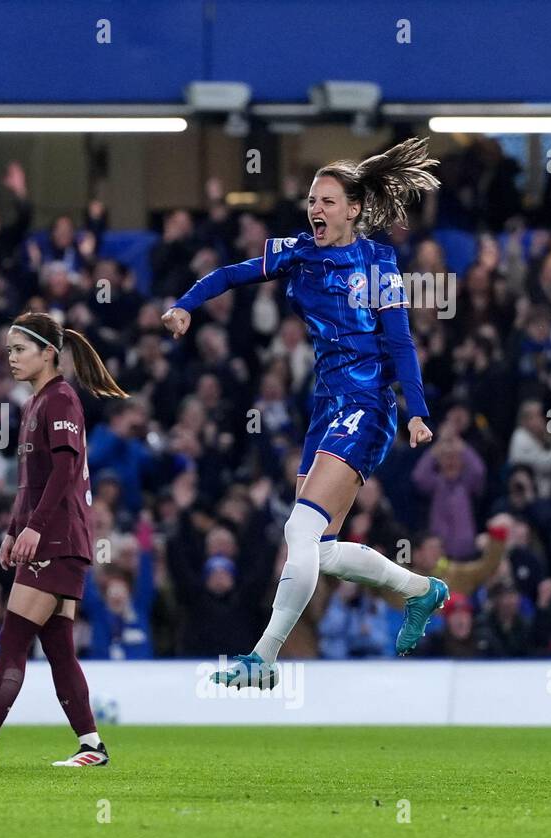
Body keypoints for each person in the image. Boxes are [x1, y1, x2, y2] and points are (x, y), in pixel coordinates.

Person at [162, 138, 452, 687]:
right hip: (325, 408)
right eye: (312, 201)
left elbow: (401, 343)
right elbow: (230, 274)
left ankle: (263, 659)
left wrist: (416, 410)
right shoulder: (299, 251)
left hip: (366, 407)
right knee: (318, 548)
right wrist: (184, 306)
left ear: (354, 208)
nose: (315, 209)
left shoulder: (379, 263)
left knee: (299, 527)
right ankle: (421, 590)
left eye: (326, 200)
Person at [0, 309, 127, 767]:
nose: (11, 359)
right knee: (58, 649)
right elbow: (31, 483)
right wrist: (14, 529)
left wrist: (33, 528)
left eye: (20, 350)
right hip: (56, 538)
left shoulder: (59, 400)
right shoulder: (39, 402)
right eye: (9, 350)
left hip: (57, 540)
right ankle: (92, 745)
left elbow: (65, 471)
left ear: (48, 353)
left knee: (14, 638)